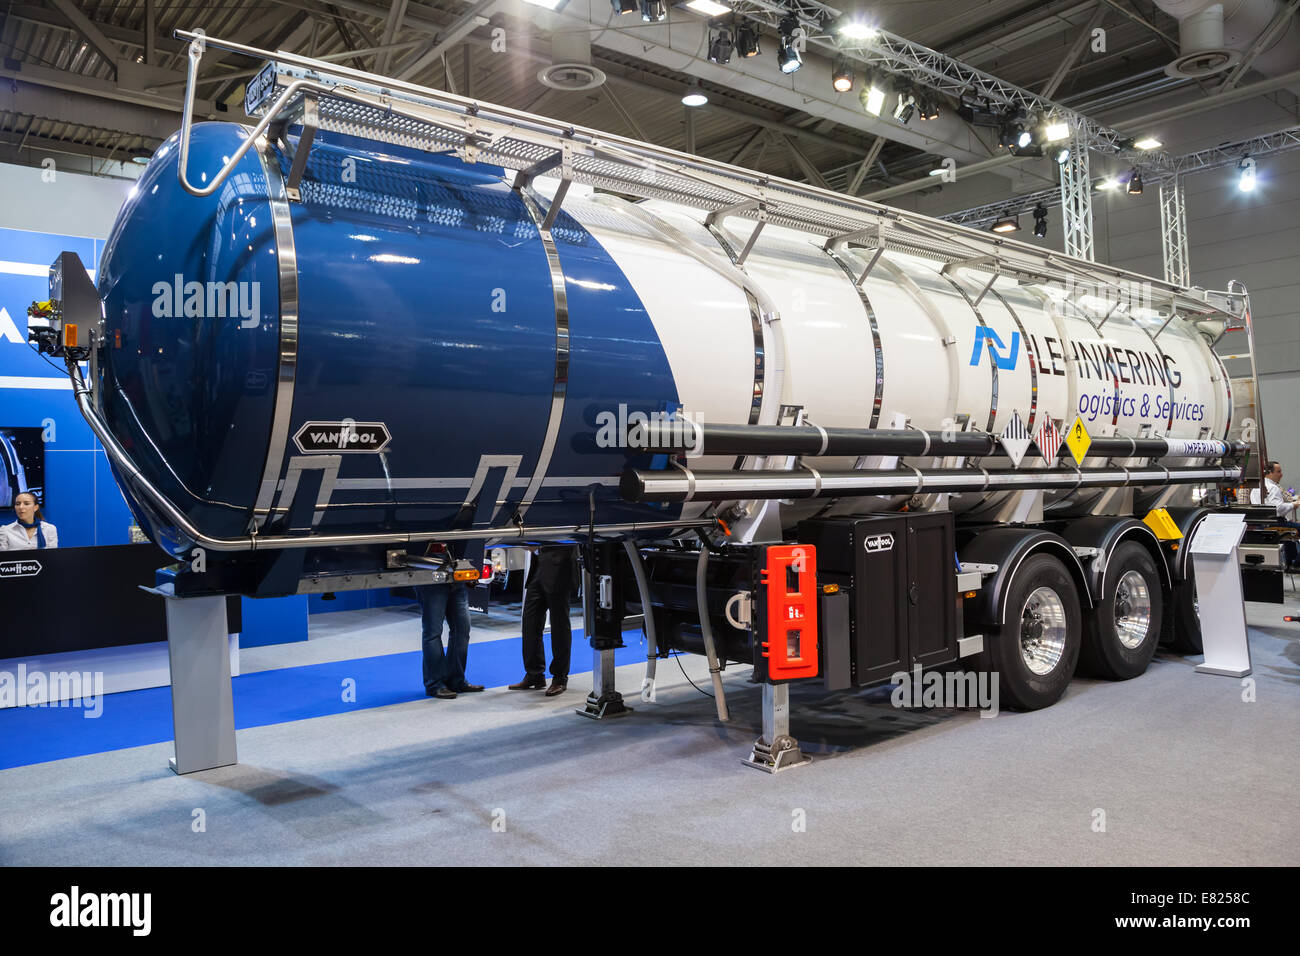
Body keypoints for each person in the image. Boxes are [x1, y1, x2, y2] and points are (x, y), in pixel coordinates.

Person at [414, 544, 484, 699]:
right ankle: (435, 684)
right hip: (430, 575)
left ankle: (456, 680)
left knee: (462, 630)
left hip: (457, 575)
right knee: (433, 632)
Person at [509, 545, 576, 697]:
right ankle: (534, 674)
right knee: (530, 622)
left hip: (559, 566)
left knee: (559, 626)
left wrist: (538, 546)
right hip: (538, 567)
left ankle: (560, 678)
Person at [1262, 461, 1300, 568]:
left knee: (1289, 533)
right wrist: (1293, 505)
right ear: (1269, 472)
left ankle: (1291, 562)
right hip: (1276, 522)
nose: (1281, 474)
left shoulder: (1258, 486)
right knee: (1290, 529)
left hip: (1263, 523)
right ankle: (1297, 563)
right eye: (1278, 471)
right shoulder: (1273, 488)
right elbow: (1277, 509)